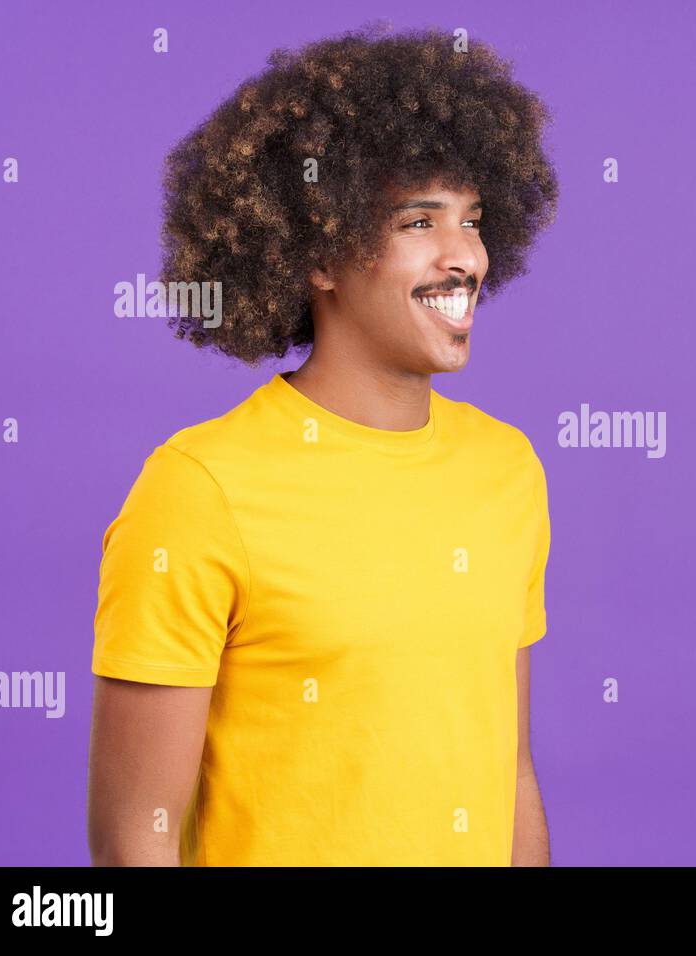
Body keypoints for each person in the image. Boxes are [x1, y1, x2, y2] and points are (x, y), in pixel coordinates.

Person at [86, 25, 560, 866]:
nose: (466, 258)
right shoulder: (200, 488)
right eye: (420, 220)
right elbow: (137, 834)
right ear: (321, 254)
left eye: (474, 221)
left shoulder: (508, 470)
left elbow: (510, 772)